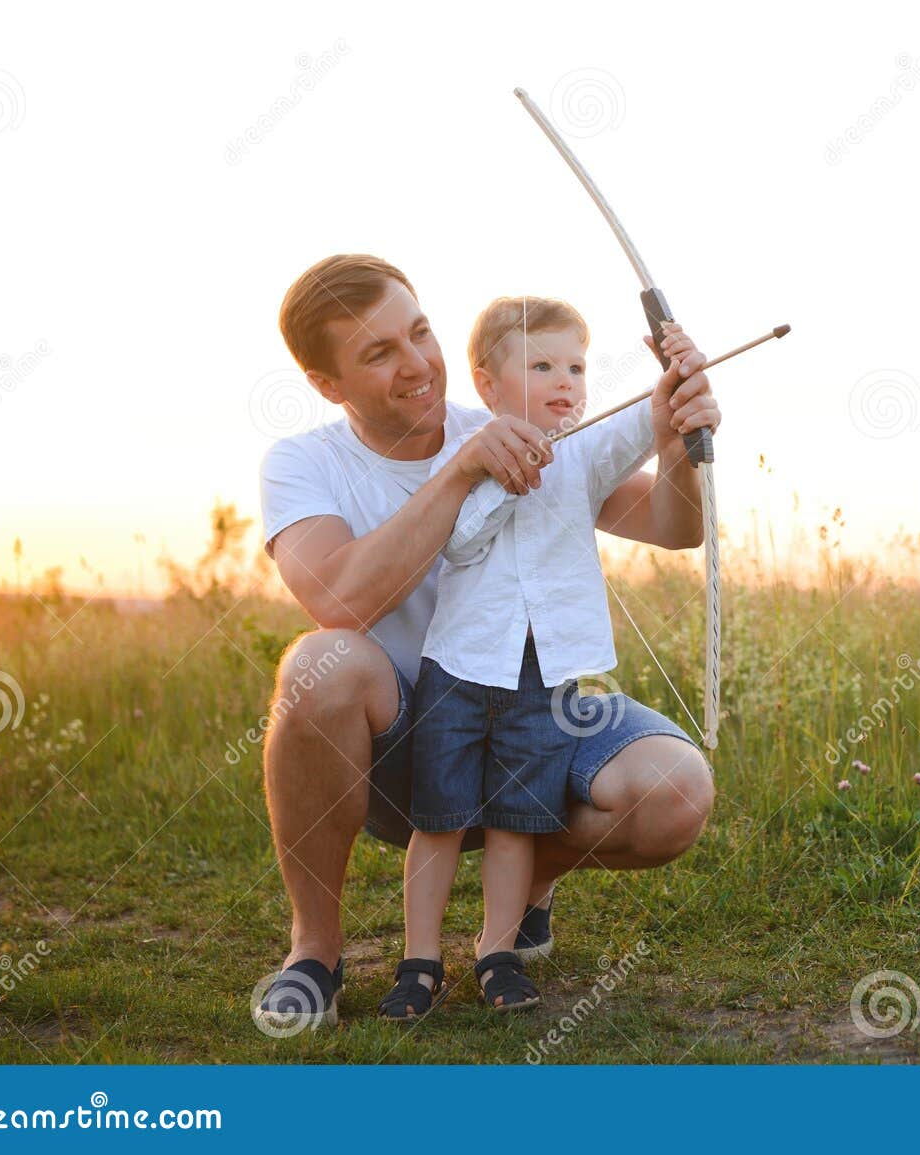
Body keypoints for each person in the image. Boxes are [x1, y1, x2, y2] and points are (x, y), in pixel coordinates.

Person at [254, 255, 717, 1030]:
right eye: (378, 352)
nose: (417, 365)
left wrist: (673, 440)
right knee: (317, 666)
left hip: (534, 709)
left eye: (420, 332)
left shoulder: (523, 425)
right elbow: (340, 596)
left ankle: (524, 899)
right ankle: (316, 952)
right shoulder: (304, 462)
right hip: (403, 740)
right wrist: (462, 471)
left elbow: (675, 528)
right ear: (328, 385)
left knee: (676, 792)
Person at [377, 296, 703, 1016]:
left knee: (516, 819)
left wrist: (674, 386)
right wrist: (501, 482)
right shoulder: (467, 457)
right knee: (439, 819)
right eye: (543, 364)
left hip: (544, 677)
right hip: (460, 670)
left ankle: (497, 950)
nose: (567, 380)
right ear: (489, 385)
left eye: (578, 366)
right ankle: (419, 959)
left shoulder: (583, 451)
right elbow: (457, 543)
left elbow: (643, 429)